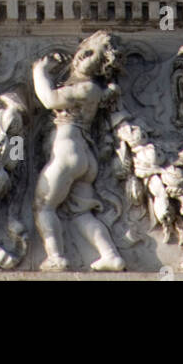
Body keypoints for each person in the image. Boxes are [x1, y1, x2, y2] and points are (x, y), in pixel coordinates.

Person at [33, 32, 125, 271]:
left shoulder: (87, 88)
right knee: (81, 214)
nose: (84, 54)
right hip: (85, 159)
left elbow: (49, 99)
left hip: (66, 153)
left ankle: (56, 257)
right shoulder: (93, 89)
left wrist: (39, 71)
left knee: (44, 206)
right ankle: (111, 255)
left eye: (92, 52)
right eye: (85, 49)